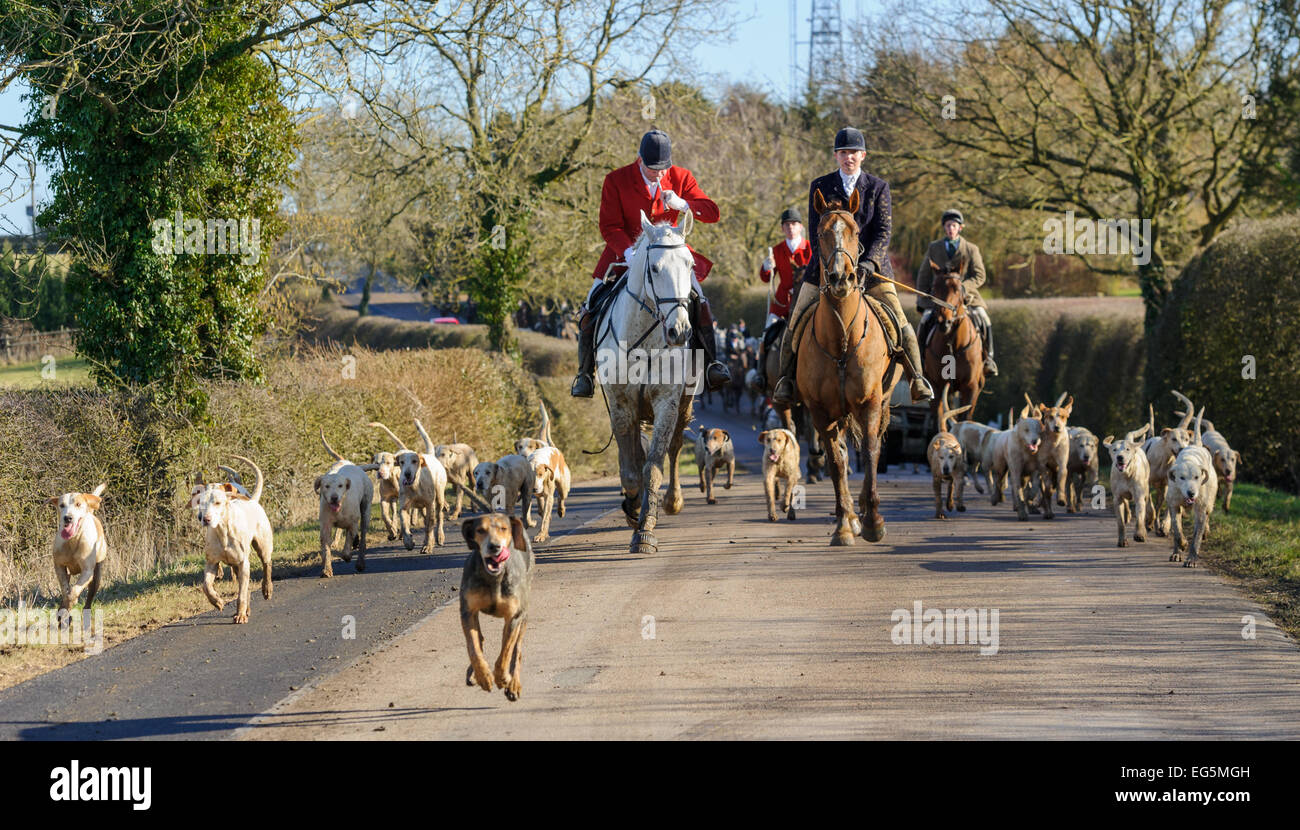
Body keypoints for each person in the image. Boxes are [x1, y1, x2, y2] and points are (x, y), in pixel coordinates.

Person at [772, 127, 934, 406]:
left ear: (863, 155)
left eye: (853, 153)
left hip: (873, 271)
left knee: (902, 324)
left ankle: (917, 378)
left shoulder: (878, 187)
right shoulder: (820, 185)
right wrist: (829, 265)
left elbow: (883, 231)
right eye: (843, 152)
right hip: (825, 271)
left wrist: (869, 262)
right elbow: (815, 231)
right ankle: (785, 381)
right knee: (795, 322)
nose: (849, 157)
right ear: (836, 156)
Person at [570, 129, 730, 398]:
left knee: (700, 300)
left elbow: (712, 212)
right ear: (639, 159)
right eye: (652, 168)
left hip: (669, 259)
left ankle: (711, 364)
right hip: (625, 255)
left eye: (662, 168)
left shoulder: (681, 177)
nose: (658, 174)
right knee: (592, 302)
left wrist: (686, 204)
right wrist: (629, 251)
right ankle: (585, 374)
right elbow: (609, 226)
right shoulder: (616, 180)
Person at [914, 209, 998, 375]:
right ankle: (919, 362)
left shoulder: (971, 249)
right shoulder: (934, 247)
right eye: (947, 226)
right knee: (924, 321)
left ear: (960, 228)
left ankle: (989, 359)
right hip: (939, 300)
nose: (950, 229)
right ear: (944, 228)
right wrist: (924, 297)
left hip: (966, 298)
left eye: (954, 225)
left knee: (984, 318)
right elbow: (923, 275)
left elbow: (980, 275)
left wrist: (964, 288)